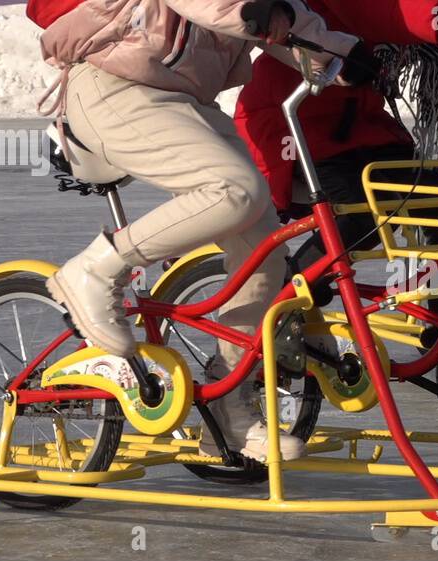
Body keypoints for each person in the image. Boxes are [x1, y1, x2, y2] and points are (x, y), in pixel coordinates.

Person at [39, 0, 359, 463]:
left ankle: (231, 411)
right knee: (236, 190)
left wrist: (345, 55)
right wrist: (258, 12)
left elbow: (291, 19)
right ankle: (94, 269)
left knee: (264, 250)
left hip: (184, 102)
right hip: (113, 87)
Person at [235, 0, 438, 407]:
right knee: (354, 217)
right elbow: (383, 12)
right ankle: (279, 306)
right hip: (294, 121)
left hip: (361, 131)